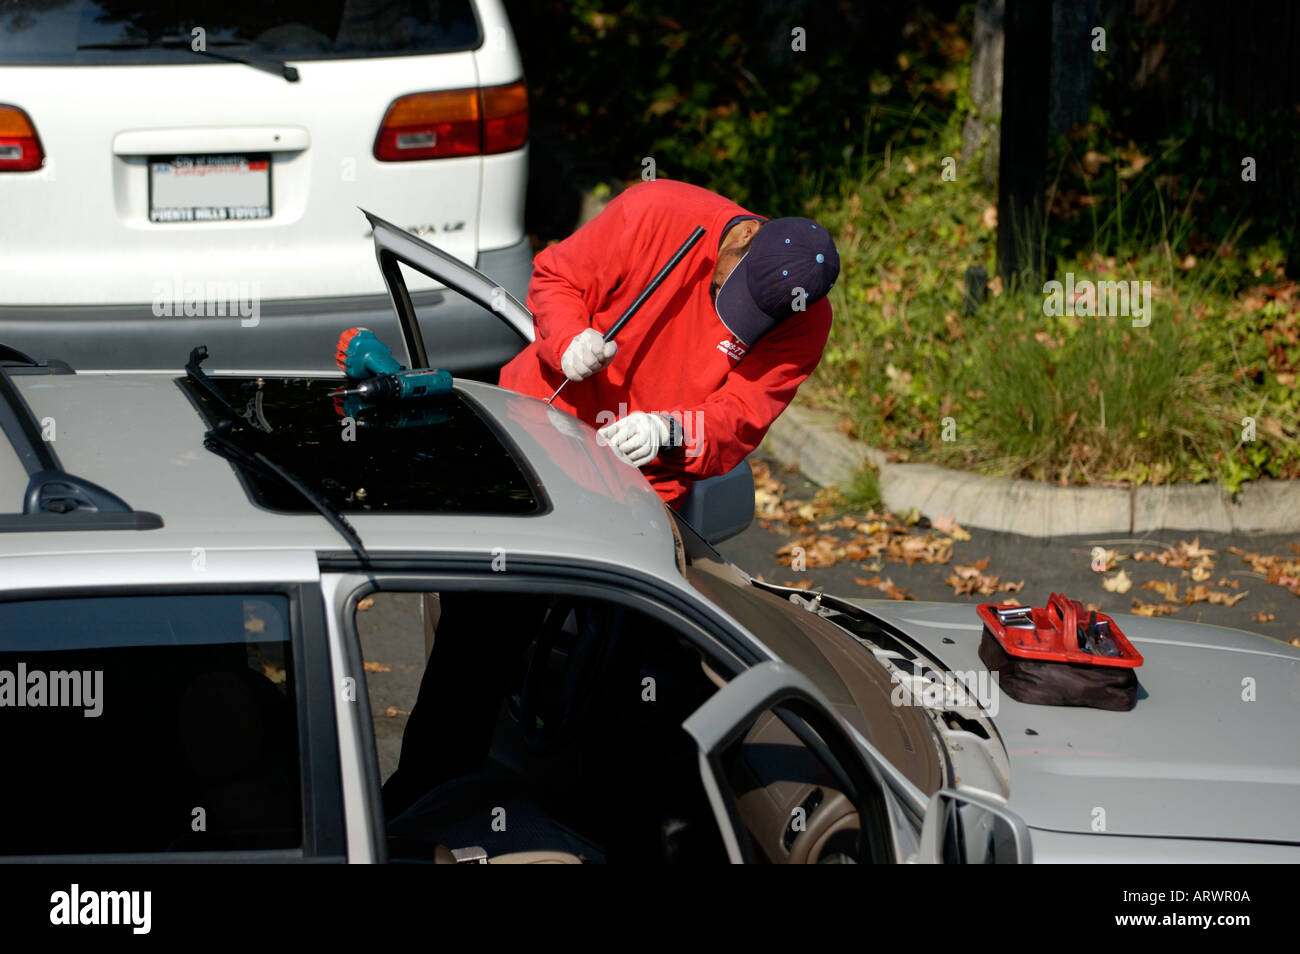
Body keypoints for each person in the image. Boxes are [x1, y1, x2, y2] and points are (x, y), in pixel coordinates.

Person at [499, 178, 840, 508]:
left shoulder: (805, 319)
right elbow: (558, 280)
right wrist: (569, 338)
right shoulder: (656, 210)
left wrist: (669, 431)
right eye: (733, 292)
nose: (730, 318)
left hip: (632, 486)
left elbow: (740, 416)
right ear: (746, 233)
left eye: (758, 316)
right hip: (534, 427)